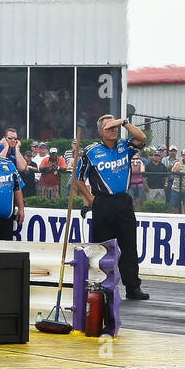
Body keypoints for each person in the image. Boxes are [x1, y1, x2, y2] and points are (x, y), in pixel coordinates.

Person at [73, 114, 151, 300]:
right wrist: (90, 199)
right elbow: (78, 179)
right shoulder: (91, 151)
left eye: (116, 127)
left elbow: (142, 138)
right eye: (110, 127)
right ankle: (102, 286)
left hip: (123, 202)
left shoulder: (125, 146)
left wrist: (124, 122)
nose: (114, 130)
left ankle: (133, 288)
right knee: (102, 247)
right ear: (100, 131)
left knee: (129, 246)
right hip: (102, 202)